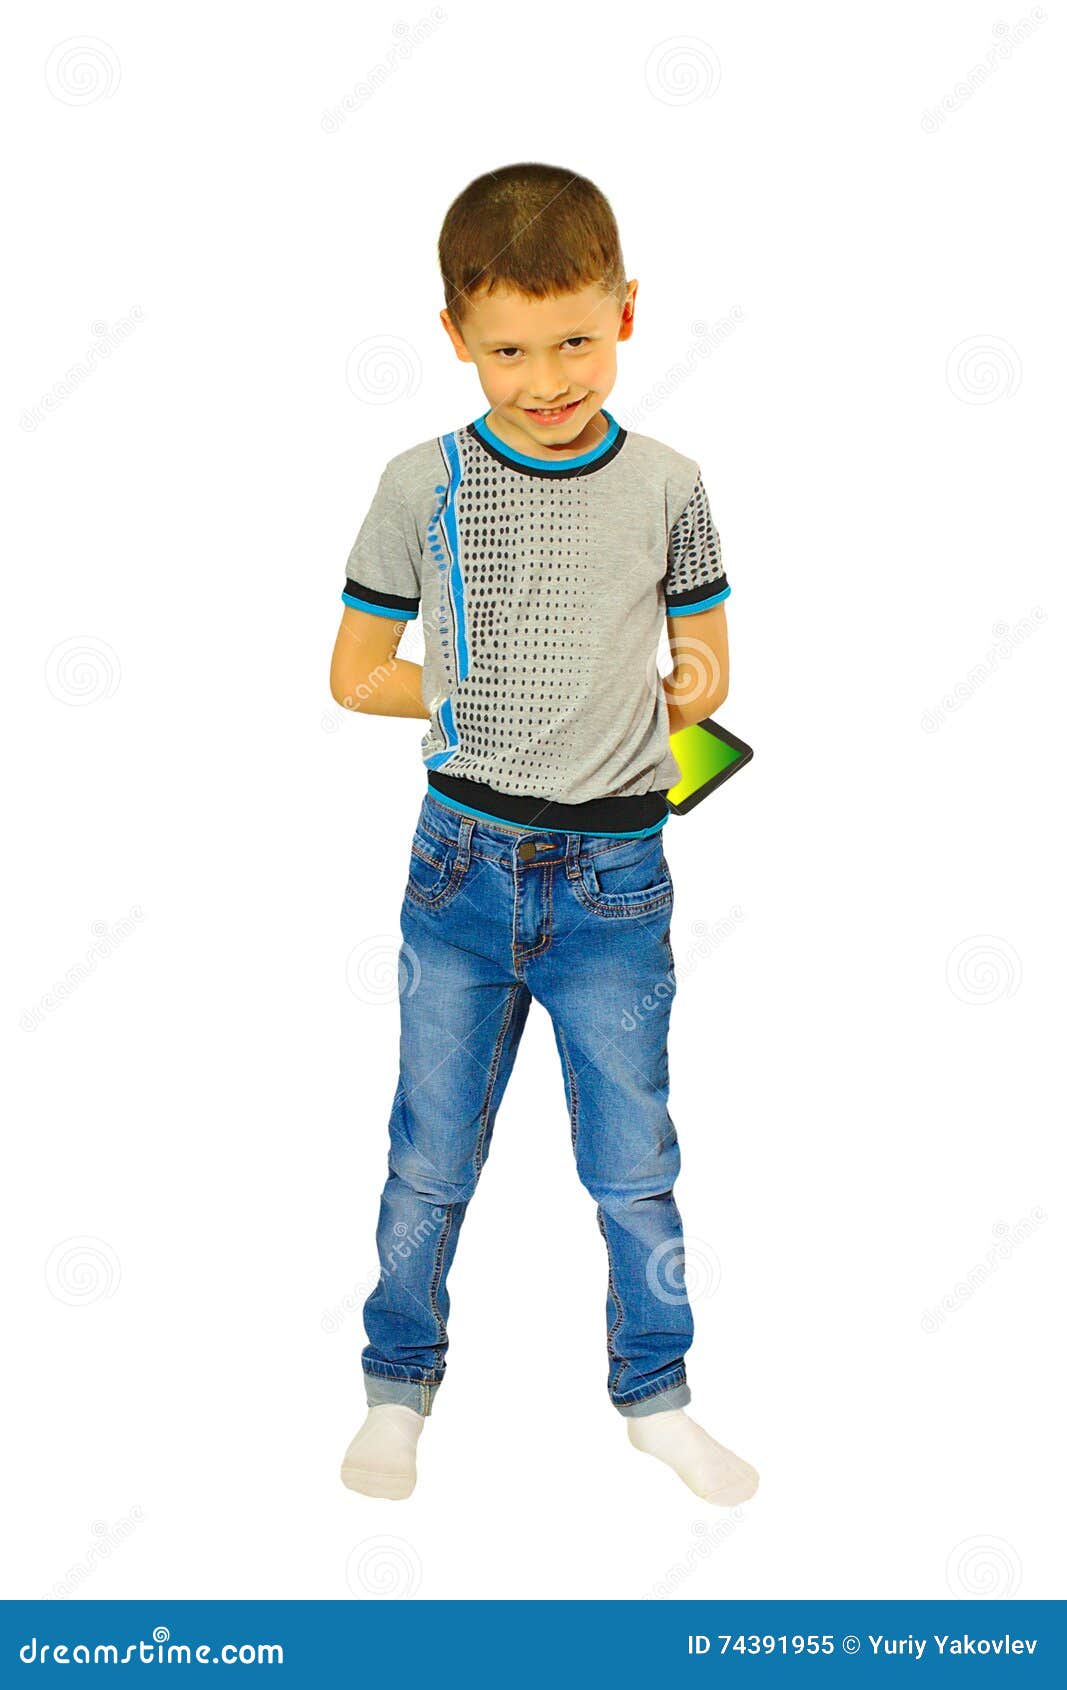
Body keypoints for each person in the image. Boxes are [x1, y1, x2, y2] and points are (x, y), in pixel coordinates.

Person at [330, 162, 758, 1507]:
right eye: (509, 347)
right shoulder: (422, 481)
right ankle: (396, 1388)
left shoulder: (673, 483)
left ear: (629, 311)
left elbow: (709, 660)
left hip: (619, 879)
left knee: (636, 1160)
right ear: (455, 334)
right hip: (461, 867)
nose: (547, 374)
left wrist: (696, 685)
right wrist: (466, 679)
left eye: (576, 335)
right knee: (429, 1150)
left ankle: (659, 1394)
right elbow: (353, 674)